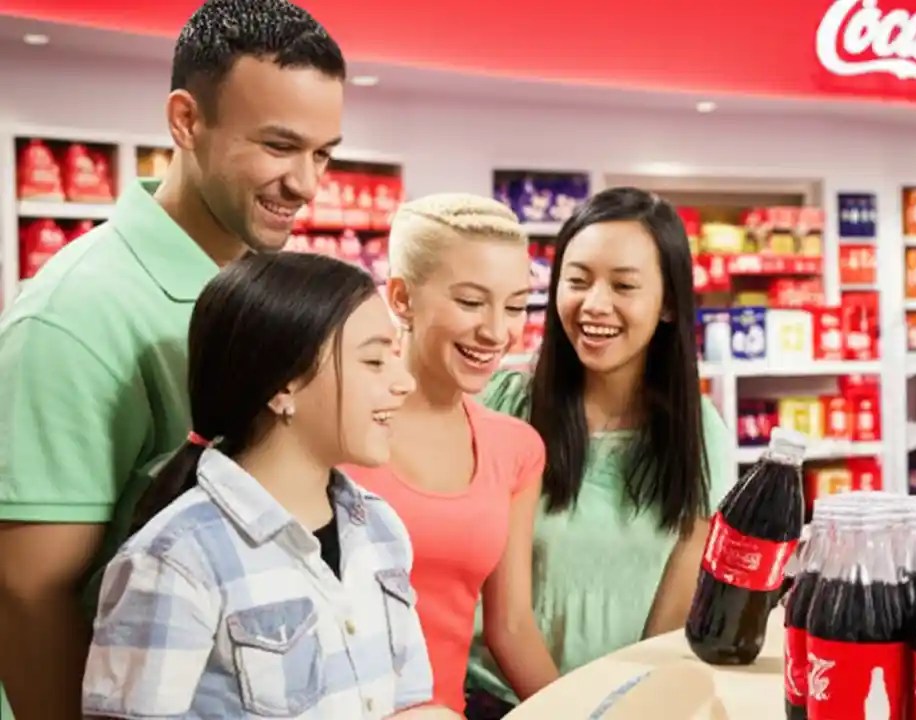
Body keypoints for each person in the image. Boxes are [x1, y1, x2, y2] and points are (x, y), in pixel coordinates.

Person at [0, 1, 346, 717]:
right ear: (186, 122)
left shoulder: (262, 292)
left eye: (323, 153)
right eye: (280, 146)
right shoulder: (74, 315)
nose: (308, 184)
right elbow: (26, 591)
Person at [81, 252, 458, 719]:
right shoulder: (177, 560)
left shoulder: (379, 528)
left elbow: (406, 702)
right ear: (285, 386)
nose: (403, 383)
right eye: (375, 361)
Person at [464, 187, 736, 717]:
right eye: (578, 279)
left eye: (624, 285)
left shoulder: (698, 432)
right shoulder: (507, 405)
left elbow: (671, 624)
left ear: (669, 305)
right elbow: (506, 622)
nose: (594, 305)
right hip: (503, 703)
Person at [344, 194, 560, 716]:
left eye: (514, 306)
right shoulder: (334, 430)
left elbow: (510, 629)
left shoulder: (515, 449)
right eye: (470, 302)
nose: (496, 331)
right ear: (401, 298)